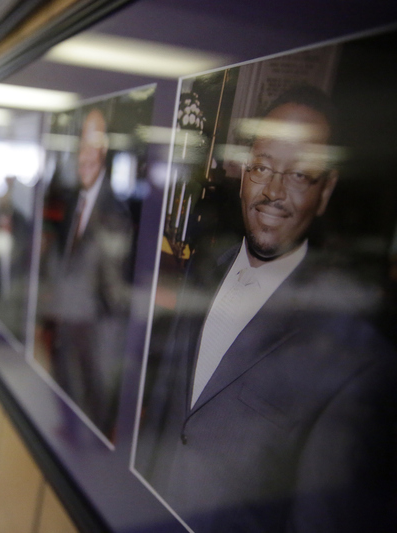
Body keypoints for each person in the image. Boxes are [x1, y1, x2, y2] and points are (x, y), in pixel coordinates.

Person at [135, 86, 397, 531]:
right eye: (263, 167)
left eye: (298, 175)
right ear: (243, 172)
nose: (273, 191)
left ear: (326, 189)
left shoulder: (351, 354)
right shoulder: (205, 268)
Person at [41, 107, 135, 437]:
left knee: (93, 383)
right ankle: (70, 426)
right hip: (67, 308)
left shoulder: (114, 207)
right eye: (82, 144)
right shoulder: (71, 199)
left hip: (94, 316)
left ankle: (94, 437)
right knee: (63, 372)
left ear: (107, 151)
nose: (85, 155)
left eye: (94, 144)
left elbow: (115, 275)